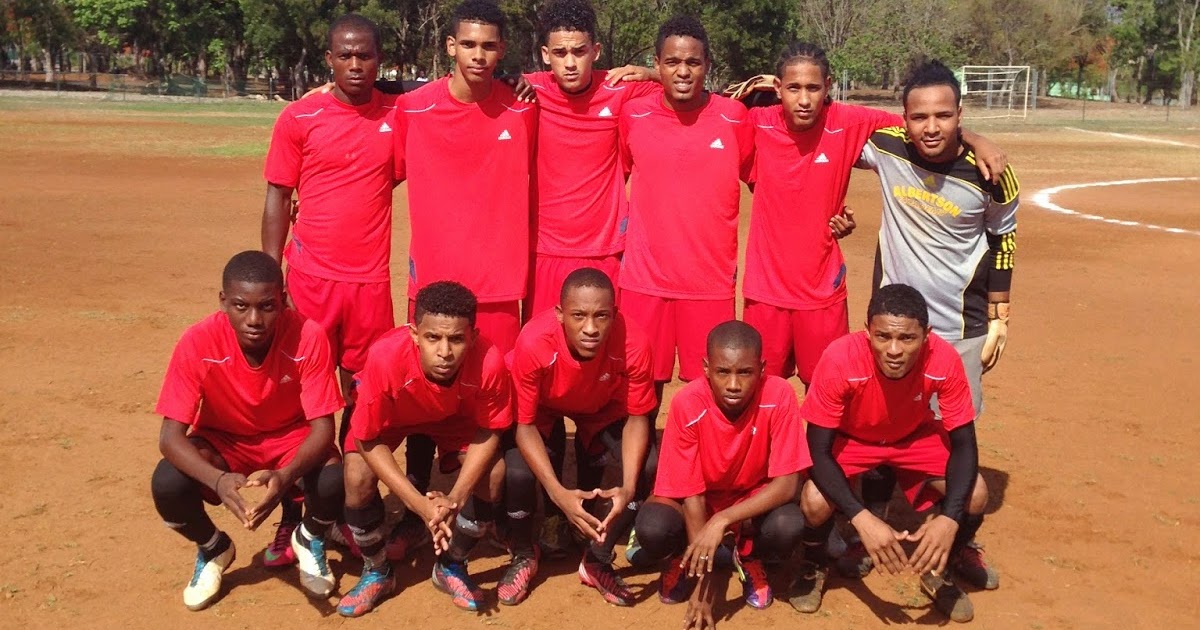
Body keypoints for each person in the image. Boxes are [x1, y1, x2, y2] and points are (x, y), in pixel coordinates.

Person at [738, 42, 1009, 388]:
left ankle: (820, 446)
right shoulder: (754, 123)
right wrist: (656, 75)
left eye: (813, 88)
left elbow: (921, 122)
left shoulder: (849, 122)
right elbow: (702, 104)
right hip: (765, 289)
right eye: (794, 88)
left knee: (825, 385)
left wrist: (975, 138)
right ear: (778, 88)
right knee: (762, 387)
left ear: (829, 86)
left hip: (822, 291)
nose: (804, 100)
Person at [850, 59, 1018, 581]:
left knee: (952, 434)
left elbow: (1003, 239)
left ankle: (956, 537)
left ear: (960, 116)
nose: (931, 126)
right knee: (878, 423)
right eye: (918, 116)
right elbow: (823, 124)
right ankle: (869, 527)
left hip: (959, 326)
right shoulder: (886, 148)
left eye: (944, 116)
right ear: (903, 119)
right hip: (891, 327)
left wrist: (1000, 312)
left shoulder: (993, 174)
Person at [260, 14, 397, 556]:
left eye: (365, 55)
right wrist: (274, 278)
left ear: (380, 60)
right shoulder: (300, 116)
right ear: (329, 60)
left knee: (363, 400)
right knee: (303, 403)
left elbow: (449, 93)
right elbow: (277, 197)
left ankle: (348, 509)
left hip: (369, 288)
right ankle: (294, 514)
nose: (356, 65)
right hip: (310, 281)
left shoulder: (398, 116)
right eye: (346, 56)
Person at [150, 251, 344, 610]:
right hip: (225, 441)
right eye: (241, 306)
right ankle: (213, 548)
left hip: (290, 438)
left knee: (335, 480)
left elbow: (322, 430)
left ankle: (309, 536)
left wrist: (285, 477)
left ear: (282, 301)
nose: (254, 319)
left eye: (267, 306)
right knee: (167, 484)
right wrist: (218, 480)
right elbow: (170, 438)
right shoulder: (197, 341)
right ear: (223, 301)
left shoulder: (309, 336)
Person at [791, 284, 992, 623]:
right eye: (883, 336)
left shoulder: (944, 359)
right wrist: (861, 517)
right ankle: (814, 564)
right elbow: (818, 450)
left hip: (913, 438)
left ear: (926, 336)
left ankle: (941, 567)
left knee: (976, 495)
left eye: (908, 339)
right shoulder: (840, 358)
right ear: (867, 331)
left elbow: (964, 444)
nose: (894, 350)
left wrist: (949, 518)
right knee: (813, 500)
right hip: (852, 439)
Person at [336, 281, 514, 617]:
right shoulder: (386, 357)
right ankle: (377, 571)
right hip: (394, 418)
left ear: (472, 337)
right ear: (415, 334)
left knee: (494, 476)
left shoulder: (490, 361)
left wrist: (456, 497)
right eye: (433, 338)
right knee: (356, 474)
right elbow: (366, 437)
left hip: (453, 419)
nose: (445, 351)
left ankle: (451, 565)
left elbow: (489, 431)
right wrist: (418, 504)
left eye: (457, 339)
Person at [618, 16, 754, 419]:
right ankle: (639, 476)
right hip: (644, 282)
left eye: (693, 62)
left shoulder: (734, 118)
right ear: (657, 64)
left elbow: (763, 178)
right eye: (672, 61)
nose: (682, 71)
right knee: (642, 391)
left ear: (707, 65)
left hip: (708, 283)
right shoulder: (634, 115)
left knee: (709, 394)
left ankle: (707, 476)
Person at [633, 321, 811, 629]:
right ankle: (684, 557)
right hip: (699, 500)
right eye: (722, 372)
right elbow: (692, 495)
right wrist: (705, 586)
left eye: (745, 372)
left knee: (788, 525)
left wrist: (722, 520)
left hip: (749, 501)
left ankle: (749, 555)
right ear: (705, 368)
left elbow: (786, 485)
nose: (733, 384)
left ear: (762, 368)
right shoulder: (687, 403)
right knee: (653, 528)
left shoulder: (779, 395)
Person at [507, 268, 657, 605]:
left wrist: (630, 486)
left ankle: (597, 559)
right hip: (544, 410)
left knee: (648, 465)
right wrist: (558, 493)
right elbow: (525, 425)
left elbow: (637, 418)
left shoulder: (634, 341)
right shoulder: (533, 341)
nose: (590, 328)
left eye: (601, 316)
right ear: (560, 315)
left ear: (614, 314)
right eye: (579, 316)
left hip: (601, 406)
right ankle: (524, 553)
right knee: (517, 472)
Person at [393, 0, 536, 355]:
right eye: (469, 44)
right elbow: (385, 174)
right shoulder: (413, 108)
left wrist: (652, 73)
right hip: (432, 280)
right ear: (450, 45)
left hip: (498, 286)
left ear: (502, 49)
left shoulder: (523, 108)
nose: (478, 55)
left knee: (495, 389)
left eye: (489, 46)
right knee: (432, 392)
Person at [521, 0, 660, 317]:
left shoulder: (619, 88)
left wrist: (651, 72)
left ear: (595, 50)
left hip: (604, 251)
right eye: (560, 53)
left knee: (602, 348)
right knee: (542, 346)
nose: (570, 63)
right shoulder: (528, 89)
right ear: (545, 55)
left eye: (579, 51)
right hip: (544, 250)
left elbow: (683, 83)